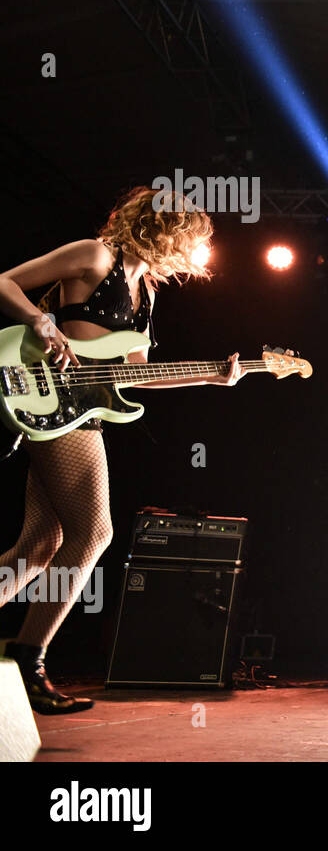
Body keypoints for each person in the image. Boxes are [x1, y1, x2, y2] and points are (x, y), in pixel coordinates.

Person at [0, 187, 244, 714]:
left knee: (38, 549)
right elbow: (3, 282)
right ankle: (28, 658)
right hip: (52, 398)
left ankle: (23, 656)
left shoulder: (147, 293)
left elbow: (133, 374)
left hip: (82, 414)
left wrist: (210, 378)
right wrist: (39, 321)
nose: (192, 253)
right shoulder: (93, 255)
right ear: (164, 230)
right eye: (189, 238)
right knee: (96, 532)